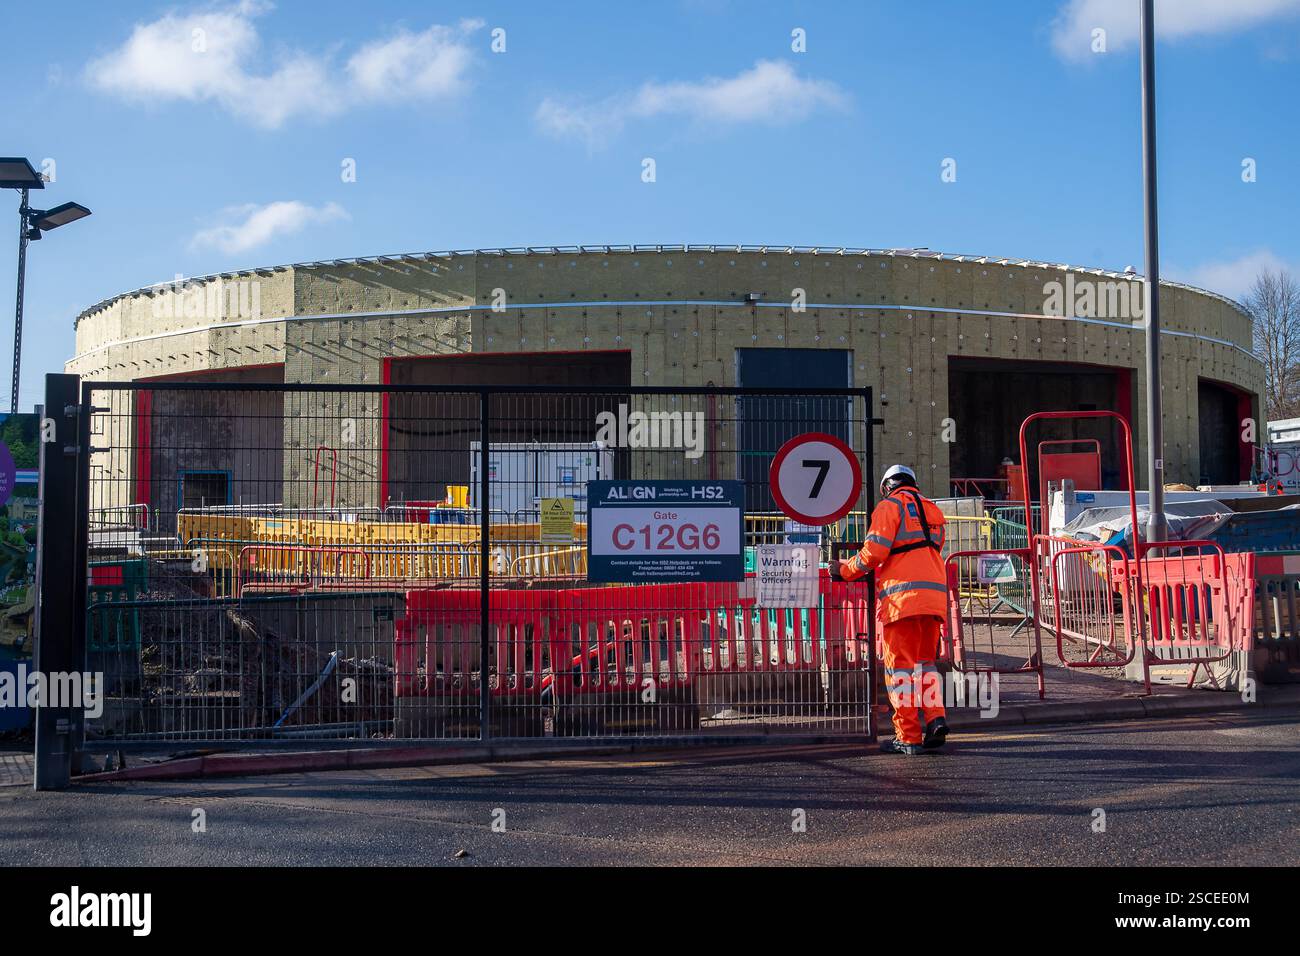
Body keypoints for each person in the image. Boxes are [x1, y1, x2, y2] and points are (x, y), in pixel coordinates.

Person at [836, 464, 950, 755]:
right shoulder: (932, 510)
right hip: (934, 598)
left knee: (900, 670)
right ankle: (936, 718)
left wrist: (845, 570)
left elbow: (875, 552)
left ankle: (908, 736)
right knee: (925, 664)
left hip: (903, 600)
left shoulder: (889, 507)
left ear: (887, 486)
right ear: (913, 483)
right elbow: (929, 549)